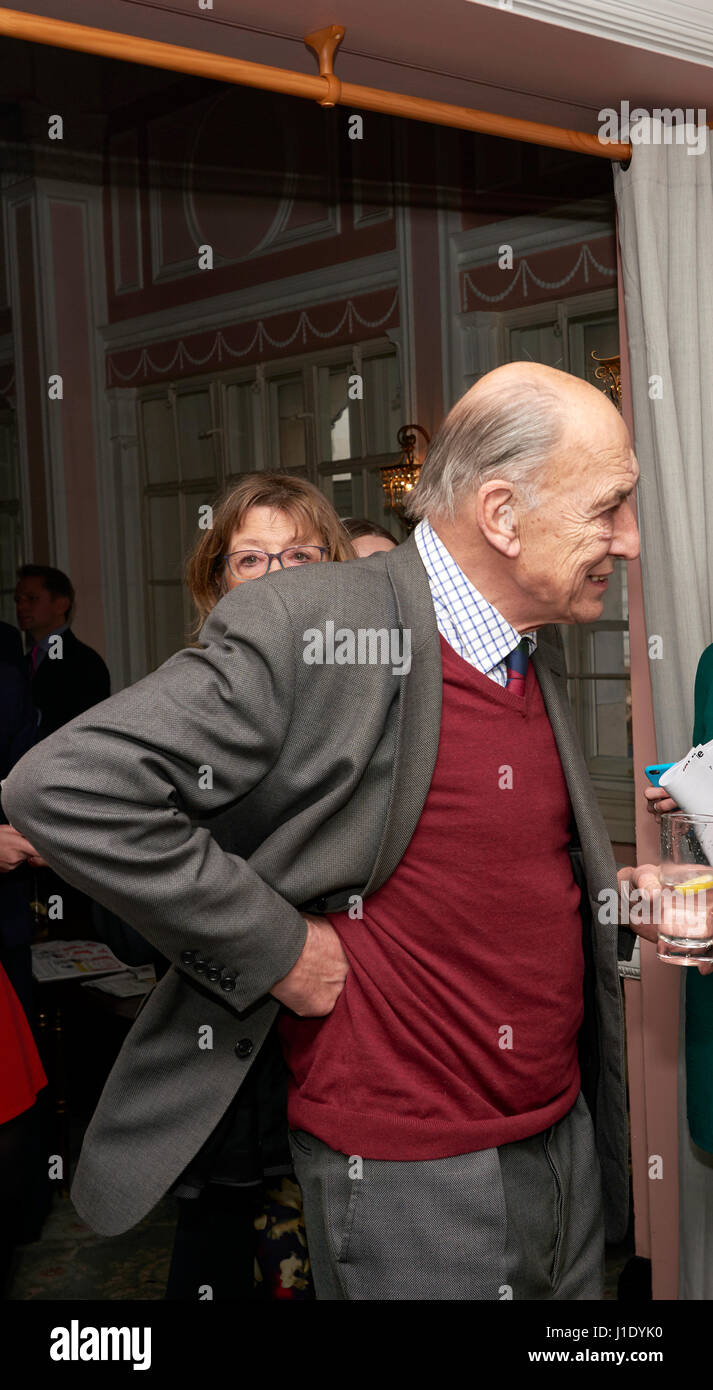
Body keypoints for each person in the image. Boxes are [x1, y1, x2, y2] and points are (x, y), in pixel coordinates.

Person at [2, 362, 659, 1301]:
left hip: (556, 1137)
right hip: (409, 1172)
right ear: (504, 515)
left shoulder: (525, 646)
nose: (628, 541)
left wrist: (615, 895)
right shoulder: (311, 619)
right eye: (610, 508)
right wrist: (276, 947)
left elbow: (482, 866)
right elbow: (63, 785)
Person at [166, 473, 353, 1301]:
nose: (277, 577)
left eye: (299, 555)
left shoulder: (372, 696)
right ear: (217, 581)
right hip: (229, 1033)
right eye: (252, 558)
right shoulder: (183, 703)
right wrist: (272, 941)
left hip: (355, 1034)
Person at [15, 565, 110, 738]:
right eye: (18, 600)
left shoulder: (83, 662)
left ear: (61, 605)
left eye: (31, 598)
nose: (21, 607)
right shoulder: (26, 659)